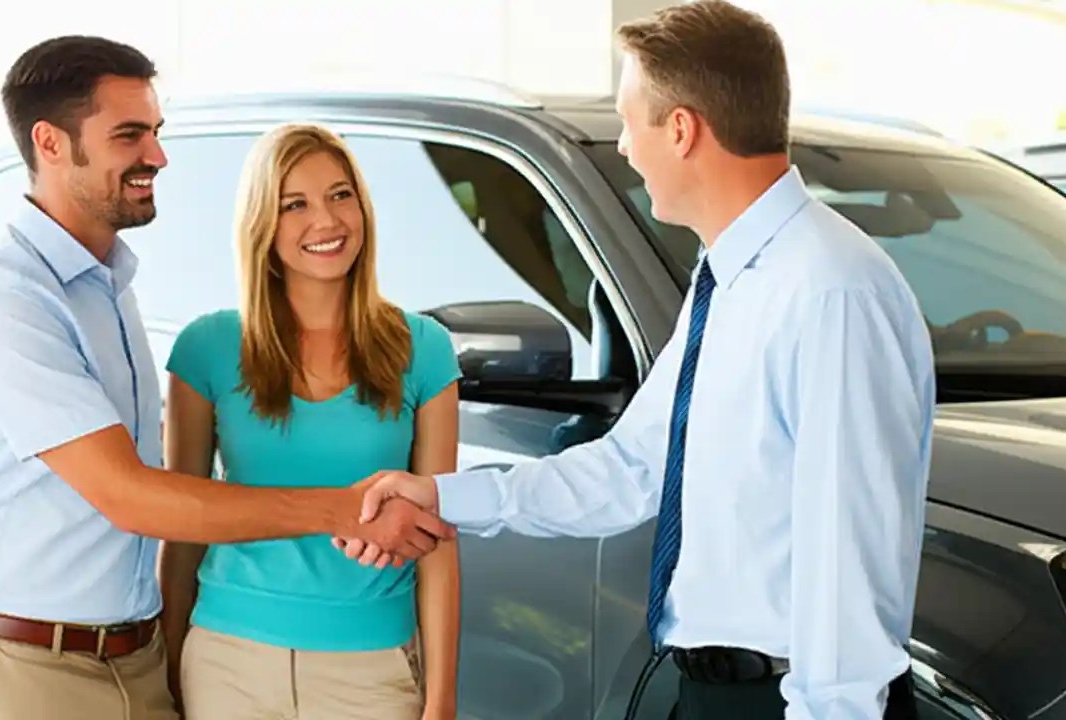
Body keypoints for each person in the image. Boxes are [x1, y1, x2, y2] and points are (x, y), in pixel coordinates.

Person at [341, 2, 935, 719]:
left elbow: (849, 561)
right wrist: (444, 496)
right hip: (712, 693)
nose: (624, 145)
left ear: (681, 129)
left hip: (787, 702)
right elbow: (631, 471)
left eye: (630, 120)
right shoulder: (730, 280)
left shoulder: (830, 290)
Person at [0, 36, 452, 720]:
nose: (158, 156)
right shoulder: (11, 302)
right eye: (129, 135)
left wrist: (166, 656)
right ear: (51, 144)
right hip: (27, 670)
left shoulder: (106, 284)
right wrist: (341, 509)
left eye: (156, 132)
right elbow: (134, 497)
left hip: (133, 660)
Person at [158, 123, 462, 720]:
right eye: (294, 204)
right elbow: (183, 526)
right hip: (227, 661)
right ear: (262, 226)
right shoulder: (207, 348)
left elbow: (438, 539)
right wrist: (167, 672)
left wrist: (441, 698)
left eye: (340, 195)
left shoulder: (423, 348)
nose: (326, 221)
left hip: (372, 668)